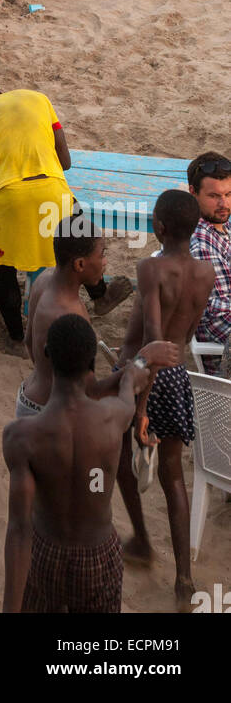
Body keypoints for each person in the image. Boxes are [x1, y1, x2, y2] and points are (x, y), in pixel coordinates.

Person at [2, 313, 150, 613]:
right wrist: (141, 363)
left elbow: (19, 529)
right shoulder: (112, 417)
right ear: (92, 362)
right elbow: (129, 390)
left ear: (47, 355)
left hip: (45, 551)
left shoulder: (22, 436)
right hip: (98, 553)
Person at [115, 191, 216, 610]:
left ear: (158, 227)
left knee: (123, 460)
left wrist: (140, 407)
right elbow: (182, 335)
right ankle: (183, 578)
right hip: (177, 376)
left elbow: (152, 340)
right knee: (175, 476)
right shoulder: (207, 272)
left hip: (147, 374)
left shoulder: (150, 267)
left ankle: (140, 537)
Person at [0, 77, 77, 344]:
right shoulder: (38, 99)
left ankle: (15, 336)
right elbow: (65, 162)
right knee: (77, 241)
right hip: (53, 191)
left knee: (5, 270)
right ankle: (99, 291)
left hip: (8, 198)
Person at [19, 214, 142, 418]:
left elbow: (29, 341)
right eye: (101, 255)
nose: (105, 262)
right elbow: (91, 391)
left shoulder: (43, 280)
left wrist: (47, 375)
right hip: (52, 414)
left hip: (29, 397)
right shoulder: (70, 314)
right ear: (80, 265)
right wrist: (139, 364)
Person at [187, 152, 231, 371]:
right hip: (223, 364)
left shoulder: (221, 225)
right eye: (214, 196)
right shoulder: (202, 244)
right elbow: (219, 319)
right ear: (193, 193)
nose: (224, 203)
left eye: (229, 194)